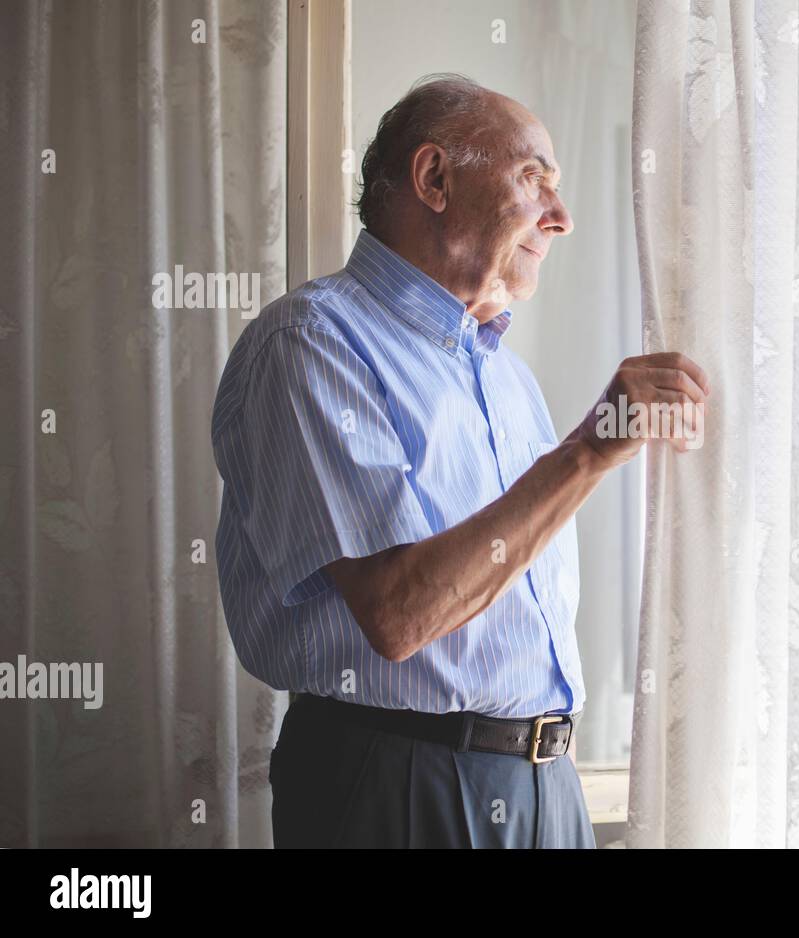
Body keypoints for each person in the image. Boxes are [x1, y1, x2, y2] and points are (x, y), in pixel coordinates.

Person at [210, 73, 708, 848]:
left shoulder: (509, 378)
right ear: (435, 178)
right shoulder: (309, 342)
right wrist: (587, 452)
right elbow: (399, 614)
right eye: (533, 178)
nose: (563, 216)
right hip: (399, 783)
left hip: (549, 785)